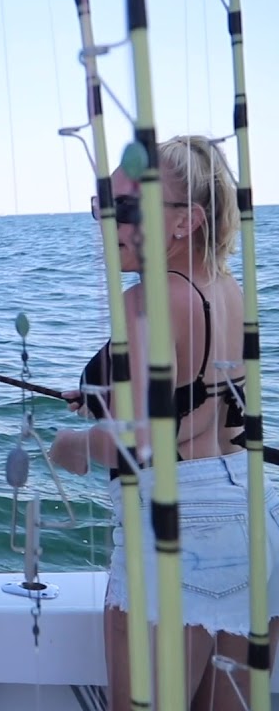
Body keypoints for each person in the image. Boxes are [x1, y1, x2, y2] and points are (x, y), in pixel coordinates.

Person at [48, 134, 279, 711]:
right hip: (254, 516)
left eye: (125, 208)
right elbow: (209, 416)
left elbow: (140, 443)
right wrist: (107, 401)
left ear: (186, 221)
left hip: (181, 528)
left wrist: (72, 445)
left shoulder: (146, 301)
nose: (107, 222)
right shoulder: (229, 291)